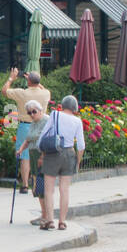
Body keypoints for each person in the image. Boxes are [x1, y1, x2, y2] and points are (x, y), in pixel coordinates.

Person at [3, 67, 52, 194]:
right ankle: (38, 184)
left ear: (28, 82)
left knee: (25, 156)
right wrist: (35, 80)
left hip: (25, 125)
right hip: (41, 125)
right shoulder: (46, 93)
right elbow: (42, 88)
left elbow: (4, 91)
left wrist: (11, 78)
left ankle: (25, 185)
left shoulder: (22, 93)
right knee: (39, 154)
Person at [40, 95, 86, 230]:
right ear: (75, 108)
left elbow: (43, 136)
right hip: (70, 153)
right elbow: (81, 146)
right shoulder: (78, 121)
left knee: (49, 190)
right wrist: (77, 161)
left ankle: (50, 221)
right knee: (64, 190)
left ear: (62, 105)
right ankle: (62, 222)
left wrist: (42, 154)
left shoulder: (54, 115)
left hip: (53, 153)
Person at [13, 101, 52, 229]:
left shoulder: (47, 121)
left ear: (40, 110)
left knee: (42, 185)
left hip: (43, 156)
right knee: (37, 186)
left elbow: (47, 139)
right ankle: (43, 214)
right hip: (33, 154)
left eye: (34, 111)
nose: (31, 114)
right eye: (29, 113)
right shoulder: (33, 123)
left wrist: (42, 156)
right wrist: (21, 149)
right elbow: (29, 139)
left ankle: (46, 216)